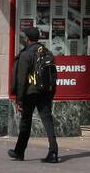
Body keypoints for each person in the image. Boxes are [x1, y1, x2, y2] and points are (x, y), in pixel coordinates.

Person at [8, 27, 59, 163]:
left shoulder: (26, 54)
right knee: (48, 121)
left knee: (25, 123)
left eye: (25, 37)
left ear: (27, 39)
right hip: (45, 92)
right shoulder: (47, 52)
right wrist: (51, 92)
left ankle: (19, 152)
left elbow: (22, 79)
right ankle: (53, 152)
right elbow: (53, 75)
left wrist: (19, 100)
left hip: (30, 93)